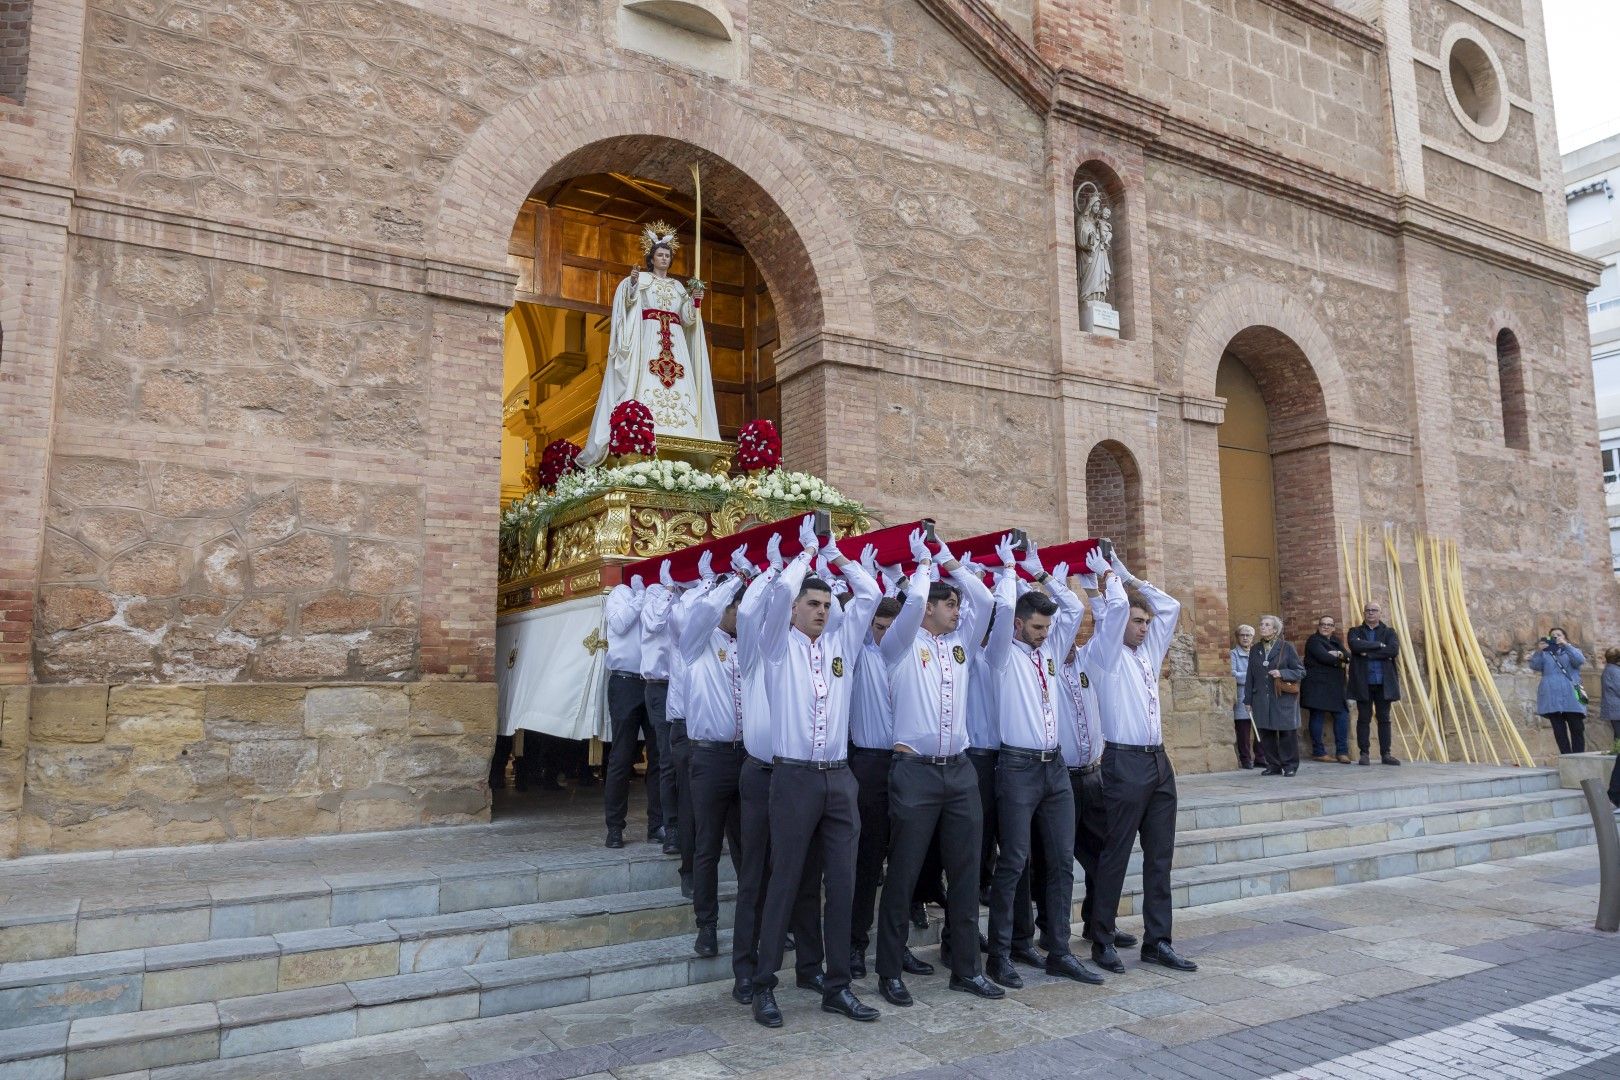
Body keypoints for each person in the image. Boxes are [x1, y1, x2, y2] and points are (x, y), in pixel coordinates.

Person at [747, 517, 882, 1028]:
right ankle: (764, 985)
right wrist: (804, 557)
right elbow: (780, 592)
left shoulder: (841, 647)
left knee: (843, 883)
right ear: (796, 610)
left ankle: (837, 985)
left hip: (838, 776)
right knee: (785, 880)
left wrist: (838, 557)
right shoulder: (776, 645)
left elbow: (868, 593)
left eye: (827, 606)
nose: (822, 613)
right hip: (795, 776)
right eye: (814, 605)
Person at [872, 529, 1005, 1008]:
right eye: (948, 605)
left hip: (960, 771)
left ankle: (966, 968)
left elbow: (986, 600)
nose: (957, 611)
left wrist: (950, 560)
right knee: (904, 871)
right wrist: (924, 568)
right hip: (915, 771)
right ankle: (889, 970)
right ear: (928, 607)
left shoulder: (959, 644)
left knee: (967, 873)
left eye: (955, 604)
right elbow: (908, 611)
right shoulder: (902, 644)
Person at [983, 539, 1102, 988]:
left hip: (1054, 768)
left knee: (1060, 862)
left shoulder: (1050, 651)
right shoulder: (1000, 654)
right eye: (1034, 626)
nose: (1042, 633)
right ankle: (1000, 954)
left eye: (1045, 627)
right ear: (1017, 624)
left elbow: (1071, 608)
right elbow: (1001, 614)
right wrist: (1013, 571)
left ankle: (1060, 950)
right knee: (1013, 859)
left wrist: (1044, 573)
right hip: (1016, 767)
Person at [1088, 553, 1196, 974]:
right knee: (1115, 853)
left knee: (1160, 855)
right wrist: (1108, 578)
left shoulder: (1147, 654)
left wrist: (1132, 577)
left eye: (1146, 623)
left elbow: (1171, 607)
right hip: (1124, 761)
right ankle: (1102, 938)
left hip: (1158, 762)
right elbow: (1113, 615)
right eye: (1137, 621)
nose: (1144, 627)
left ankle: (1158, 941)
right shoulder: (1105, 656)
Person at [730, 534, 825, 1008]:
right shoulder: (758, 644)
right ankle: (745, 971)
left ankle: (810, 967)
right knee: (757, 877)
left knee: (806, 874)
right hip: (764, 772)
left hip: (803, 774)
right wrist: (773, 569)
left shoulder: (808, 647)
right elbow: (749, 611)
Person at [580, 227, 717, 464]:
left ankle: (686, 431)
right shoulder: (642, 280)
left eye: (667, 255)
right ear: (651, 258)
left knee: (680, 383)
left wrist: (695, 299)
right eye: (660, 255)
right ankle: (645, 424)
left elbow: (687, 319)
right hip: (650, 338)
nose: (664, 259)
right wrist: (631, 285)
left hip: (675, 342)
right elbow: (629, 303)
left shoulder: (677, 287)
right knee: (645, 379)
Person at [1053, 556, 1134, 958]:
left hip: (1093, 774)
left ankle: (1099, 924)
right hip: (1059, 777)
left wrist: (1095, 586)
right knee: (1056, 862)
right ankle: (1051, 935)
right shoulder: (1045, 666)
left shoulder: (1088, 660)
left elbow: (1109, 627)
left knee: (1103, 854)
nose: (1071, 637)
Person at [677, 549, 746, 959]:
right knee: (708, 846)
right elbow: (705, 612)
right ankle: (707, 925)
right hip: (709, 757)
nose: (739, 613)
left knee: (748, 845)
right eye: (734, 607)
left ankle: (753, 920)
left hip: (744, 756)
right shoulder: (697, 642)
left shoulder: (747, 643)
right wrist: (733, 579)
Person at [848, 588, 903, 982]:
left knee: (905, 858)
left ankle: (896, 947)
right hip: (867, 764)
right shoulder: (858, 656)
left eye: (892, 628)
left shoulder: (912, 659)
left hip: (907, 764)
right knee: (866, 861)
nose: (885, 635)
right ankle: (855, 945)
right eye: (879, 627)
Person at [602, 574, 663, 848]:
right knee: (622, 757)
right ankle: (614, 827)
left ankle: (657, 824)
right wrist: (639, 596)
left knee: (660, 758)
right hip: (625, 681)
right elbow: (619, 623)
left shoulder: (656, 594)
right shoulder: (620, 595)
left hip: (652, 682)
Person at [639, 568, 680, 850]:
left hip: (684, 685)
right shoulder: (654, 595)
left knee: (687, 757)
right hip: (659, 686)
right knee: (667, 759)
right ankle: (669, 827)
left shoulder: (688, 593)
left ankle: (686, 823)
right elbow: (654, 623)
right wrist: (667, 589)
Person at [1244, 615, 1305, 777]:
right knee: (1265, 732)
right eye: (1261, 624)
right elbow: (1250, 675)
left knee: (1286, 732)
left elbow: (1300, 671)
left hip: (1282, 697)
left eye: (1266, 625)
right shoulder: (1255, 648)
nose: (1262, 627)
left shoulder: (1286, 647)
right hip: (1261, 698)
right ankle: (1273, 765)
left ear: (1275, 629)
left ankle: (1290, 765)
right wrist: (1247, 699)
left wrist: (1282, 673)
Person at [1347, 602, 1402, 767]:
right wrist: (1378, 646)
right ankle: (1364, 753)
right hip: (1364, 682)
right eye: (1368, 610)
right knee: (1363, 718)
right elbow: (1355, 646)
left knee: (1384, 718)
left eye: (1374, 610)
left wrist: (1367, 653)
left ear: (1380, 612)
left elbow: (1393, 650)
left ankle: (1386, 753)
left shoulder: (1389, 632)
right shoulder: (1355, 631)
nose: (1370, 613)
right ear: (1364, 613)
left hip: (1384, 683)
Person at [1301, 615, 1352, 764]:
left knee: (1342, 715)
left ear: (1333, 628)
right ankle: (1319, 752)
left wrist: (1339, 655)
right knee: (1317, 716)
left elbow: (1348, 657)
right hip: (1317, 685)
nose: (1326, 627)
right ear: (1318, 626)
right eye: (1323, 624)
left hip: (1335, 686)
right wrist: (1340, 661)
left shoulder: (1335, 641)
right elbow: (1324, 658)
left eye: (1329, 625)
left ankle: (1342, 752)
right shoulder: (1314, 641)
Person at [1529, 628, 1588, 755]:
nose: (1556, 637)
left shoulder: (1573, 650)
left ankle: (1579, 757)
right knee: (1559, 730)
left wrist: (1566, 646)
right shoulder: (1545, 653)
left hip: (1574, 692)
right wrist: (1539, 651)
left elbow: (1580, 660)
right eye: (1553, 636)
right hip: (1552, 694)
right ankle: (1566, 757)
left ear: (1565, 637)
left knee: (1577, 727)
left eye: (1559, 635)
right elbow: (1535, 666)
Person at [1230, 625, 1257, 769]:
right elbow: (1233, 675)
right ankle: (1246, 759)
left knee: (1261, 727)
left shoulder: (1257, 653)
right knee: (1243, 731)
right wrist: (1252, 677)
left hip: (1258, 696)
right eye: (1242, 635)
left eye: (1249, 635)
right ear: (1237, 637)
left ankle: (1261, 757)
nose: (1245, 638)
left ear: (1253, 638)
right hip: (1242, 696)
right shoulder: (1233, 654)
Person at [1602, 648, 1620, 754]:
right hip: (1616, 707)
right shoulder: (1614, 671)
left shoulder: (1610, 669)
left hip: (1613, 707)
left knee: (1618, 734)